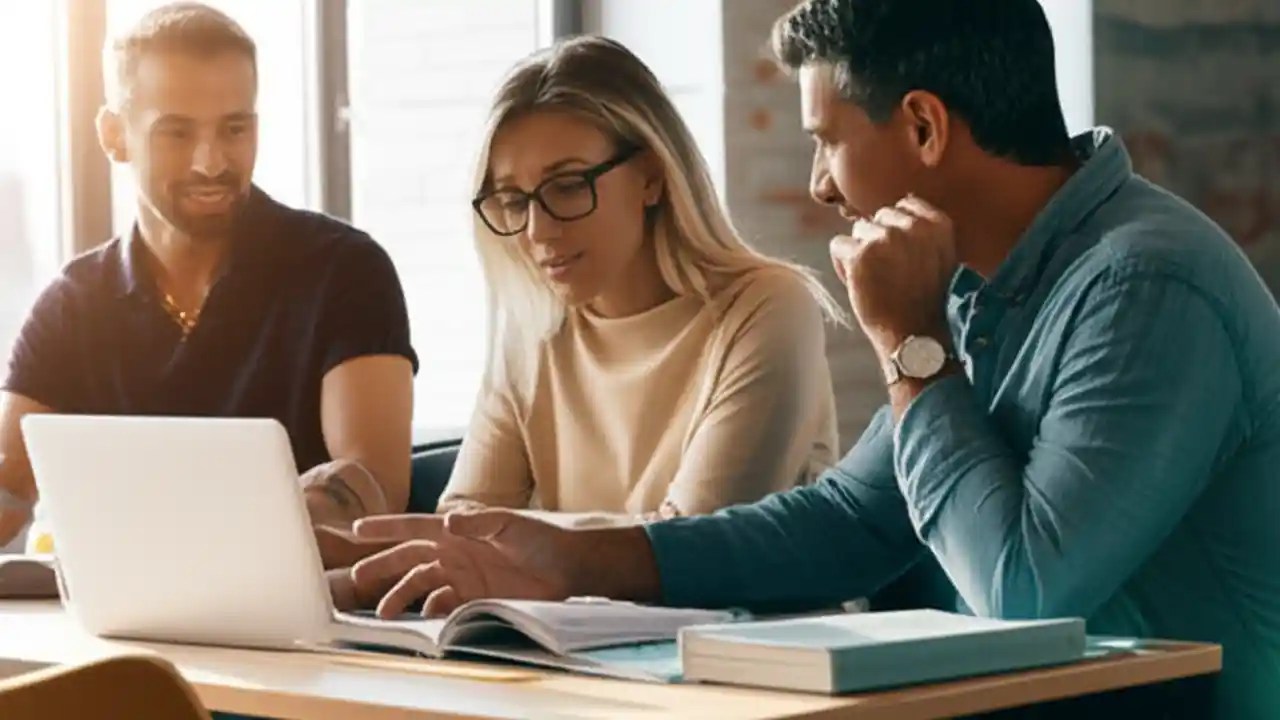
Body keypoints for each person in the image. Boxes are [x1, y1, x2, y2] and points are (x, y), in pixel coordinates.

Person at [337, 1, 1280, 717]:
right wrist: (576, 559)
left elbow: (1027, 590)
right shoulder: (974, 281)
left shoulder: (1146, 286)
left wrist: (910, 348)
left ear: (923, 127)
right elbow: (848, 520)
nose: (819, 184)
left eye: (827, 140)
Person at [0, 2, 417, 552]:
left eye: (234, 129)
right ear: (115, 135)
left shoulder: (346, 271)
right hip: (128, 600)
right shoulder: (73, 304)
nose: (211, 162)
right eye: (176, 133)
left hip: (299, 600)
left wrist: (203, 538)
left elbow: (374, 491)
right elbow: (8, 487)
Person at [431, 35, 840, 527]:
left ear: (651, 176)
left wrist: (521, 542)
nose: (537, 230)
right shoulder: (533, 330)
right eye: (515, 201)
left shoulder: (769, 308)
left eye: (568, 186)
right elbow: (462, 524)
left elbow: (693, 542)